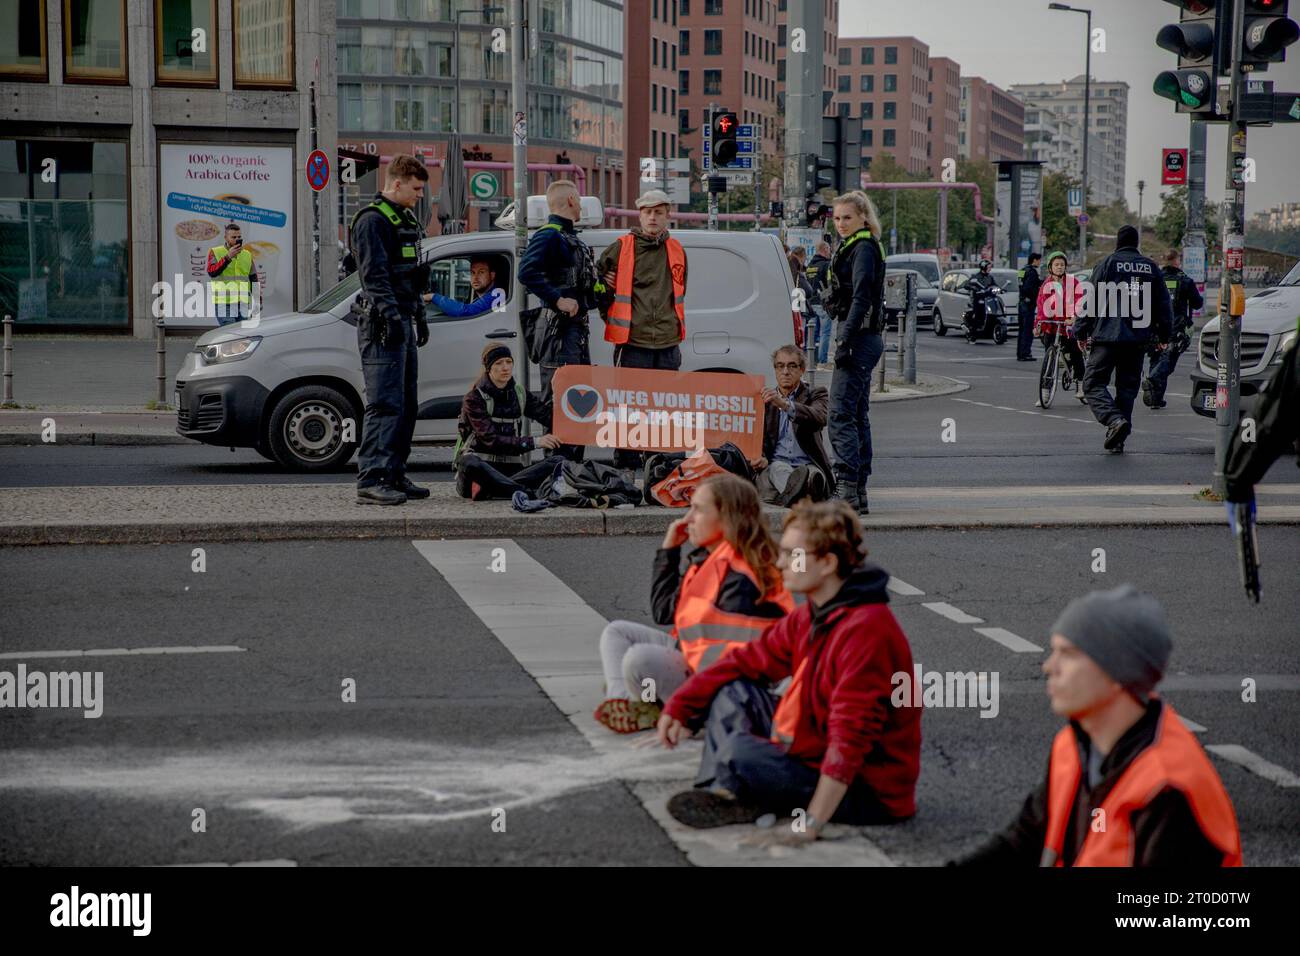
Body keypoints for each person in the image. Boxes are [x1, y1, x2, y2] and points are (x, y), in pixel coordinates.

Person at [658, 499, 921, 837]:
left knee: (741, 751)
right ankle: (724, 793)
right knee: (735, 690)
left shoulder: (866, 630)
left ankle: (743, 789)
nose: (779, 563)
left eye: (791, 555)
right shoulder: (812, 613)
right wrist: (681, 705)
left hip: (868, 793)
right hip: (814, 746)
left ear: (827, 563)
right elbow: (744, 661)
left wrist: (810, 824)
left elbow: (849, 740)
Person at [955, 585, 1242, 867]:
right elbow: (1022, 843)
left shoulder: (1167, 790)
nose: (1048, 666)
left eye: (1067, 654)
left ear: (1117, 672)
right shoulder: (1074, 744)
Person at [594, 474, 793, 734]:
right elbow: (664, 612)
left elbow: (730, 663)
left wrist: (689, 711)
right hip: (693, 658)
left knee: (638, 660)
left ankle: (645, 700)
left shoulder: (742, 577)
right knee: (617, 632)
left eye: (698, 510)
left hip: (717, 682)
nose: (687, 520)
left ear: (727, 517)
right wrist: (669, 550)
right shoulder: (710, 558)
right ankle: (629, 702)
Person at [349, 154, 432, 505]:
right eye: (415, 189)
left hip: (402, 319)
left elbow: (410, 275)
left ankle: (395, 473)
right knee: (384, 403)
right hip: (383, 325)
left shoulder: (404, 218)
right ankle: (372, 478)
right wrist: (394, 318)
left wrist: (419, 315)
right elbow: (375, 277)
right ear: (396, 183)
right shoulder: (372, 220)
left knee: (406, 404)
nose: (419, 195)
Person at [596, 189, 689, 486]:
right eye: (648, 211)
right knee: (628, 409)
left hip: (667, 343)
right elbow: (599, 285)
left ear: (667, 215)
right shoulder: (622, 247)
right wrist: (606, 291)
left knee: (663, 411)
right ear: (639, 214)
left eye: (659, 212)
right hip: (632, 342)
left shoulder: (676, 250)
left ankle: (656, 468)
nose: (653, 216)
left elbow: (680, 290)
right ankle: (625, 468)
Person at [518, 179, 602, 461]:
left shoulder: (570, 237)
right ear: (569, 201)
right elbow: (526, 272)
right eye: (577, 199)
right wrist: (557, 299)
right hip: (558, 333)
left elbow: (581, 285)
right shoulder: (549, 235)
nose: (579, 204)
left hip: (574, 333)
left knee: (578, 398)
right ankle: (556, 470)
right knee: (558, 402)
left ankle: (571, 467)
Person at [1076, 225, 1172, 454]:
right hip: (1137, 339)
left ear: (1118, 242)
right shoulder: (1150, 267)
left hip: (1107, 336)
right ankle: (1118, 438)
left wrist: (1081, 331)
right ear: (1136, 243)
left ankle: (1114, 421)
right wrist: (1164, 335)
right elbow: (1163, 304)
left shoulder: (1107, 264)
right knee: (1127, 389)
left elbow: (1093, 299)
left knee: (1092, 383)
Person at [823, 191, 887, 514]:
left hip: (858, 338)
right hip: (865, 337)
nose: (841, 224)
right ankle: (857, 491)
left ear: (863, 217)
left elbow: (861, 297)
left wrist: (844, 339)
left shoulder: (862, 248)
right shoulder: (860, 246)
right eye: (836, 219)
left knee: (840, 414)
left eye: (847, 217)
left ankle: (847, 490)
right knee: (857, 414)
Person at [453, 344, 562, 501]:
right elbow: (491, 440)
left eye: (508, 362)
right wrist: (536, 442)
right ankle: (524, 491)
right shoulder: (474, 398)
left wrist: (559, 395)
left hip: (511, 471)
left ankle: (497, 489)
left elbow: (549, 418)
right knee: (468, 462)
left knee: (558, 462)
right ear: (489, 368)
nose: (505, 367)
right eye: (498, 363)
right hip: (481, 469)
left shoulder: (519, 393)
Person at [749, 345, 832, 506]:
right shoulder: (764, 401)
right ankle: (800, 496)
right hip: (778, 464)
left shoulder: (816, 394)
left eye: (792, 366)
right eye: (780, 366)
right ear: (775, 369)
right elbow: (755, 437)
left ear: (802, 370)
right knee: (778, 469)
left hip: (808, 463)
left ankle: (792, 496)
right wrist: (762, 457)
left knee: (814, 477)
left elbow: (819, 418)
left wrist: (785, 405)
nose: (785, 371)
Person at [1143, 249, 1204, 410]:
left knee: (1156, 358)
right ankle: (1152, 380)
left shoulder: (1155, 279)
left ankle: (1155, 398)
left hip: (1154, 326)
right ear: (1177, 261)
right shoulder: (1185, 281)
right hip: (1175, 327)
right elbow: (1198, 303)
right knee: (1168, 362)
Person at [1034, 251, 1087, 400]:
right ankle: (1044, 393)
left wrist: (1073, 317)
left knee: (1076, 353)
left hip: (1068, 326)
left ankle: (1081, 385)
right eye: (1056, 265)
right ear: (1050, 267)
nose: (1059, 267)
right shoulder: (1046, 284)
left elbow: (1079, 301)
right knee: (1049, 360)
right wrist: (1038, 324)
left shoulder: (1073, 282)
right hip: (1051, 326)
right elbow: (1040, 305)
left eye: (1062, 265)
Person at [206, 223, 257, 326]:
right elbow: (212, 272)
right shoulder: (215, 252)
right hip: (224, 303)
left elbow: (253, 278)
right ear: (225, 238)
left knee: (244, 336)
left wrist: (257, 299)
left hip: (243, 302)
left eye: (239, 237)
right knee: (230, 335)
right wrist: (228, 257)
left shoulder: (247, 254)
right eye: (233, 237)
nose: (237, 239)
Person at [423, 256, 501, 318]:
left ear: (492, 275)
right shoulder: (486, 295)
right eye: (472, 273)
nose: (476, 277)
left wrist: (433, 297)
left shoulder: (496, 295)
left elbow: (466, 311)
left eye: (481, 272)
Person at [805, 241, 834, 367]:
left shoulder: (810, 266)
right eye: (828, 249)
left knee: (812, 333)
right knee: (825, 332)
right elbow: (830, 283)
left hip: (811, 303)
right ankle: (822, 359)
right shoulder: (826, 265)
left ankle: (811, 359)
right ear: (824, 249)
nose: (830, 251)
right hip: (823, 303)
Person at [1016, 252, 1042, 361]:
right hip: (1028, 304)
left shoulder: (1022, 270)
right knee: (1027, 330)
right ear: (1035, 260)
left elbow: (1021, 285)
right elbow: (1029, 287)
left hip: (1021, 303)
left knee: (1021, 330)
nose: (1040, 262)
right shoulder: (1032, 272)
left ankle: (1020, 353)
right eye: (1039, 260)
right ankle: (1025, 353)